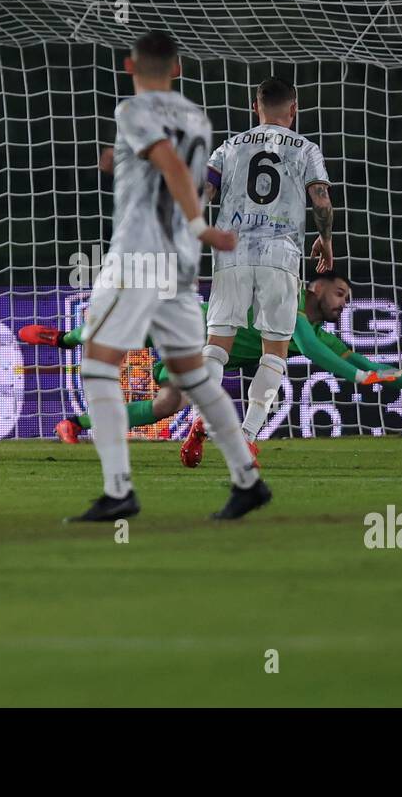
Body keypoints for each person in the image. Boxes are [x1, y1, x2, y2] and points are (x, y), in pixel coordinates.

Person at [67, 29, 268, 522]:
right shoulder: (198, 117)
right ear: (177, 68)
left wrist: (202, 226)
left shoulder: (133, 110)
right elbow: (186, 177)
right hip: (177, 265)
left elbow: (171, 165)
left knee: (95, 365)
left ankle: (119, 490)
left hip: (138, 256)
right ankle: (247, 479)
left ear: (130, 66)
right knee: (193, 376)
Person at [21, 270, 402, 457]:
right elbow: (331, 358)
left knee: (165, 405)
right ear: (318, 288)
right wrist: (359, 375)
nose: (344, 304)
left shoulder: (314, 332)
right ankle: (64, 337)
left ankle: (75, 423)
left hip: (202, 359)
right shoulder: (292, 303)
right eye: (341, 293)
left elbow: (365, 360)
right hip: (192, 326)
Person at [199, 76, 333, 451]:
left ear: (254, 108)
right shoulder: (306, 149)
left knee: (217, 346)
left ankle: (202, 418)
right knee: (274, 351)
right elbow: (321, 201)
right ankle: (247, 433)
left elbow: (202, 194)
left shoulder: (229, 147)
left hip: (232, 252)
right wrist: (325, 239)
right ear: (294, 109)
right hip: (281, 254)